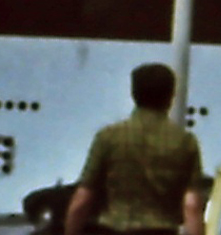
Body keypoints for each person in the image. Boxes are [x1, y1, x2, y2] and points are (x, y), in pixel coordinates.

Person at [66, 63, 204, 235]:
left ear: (133, 94)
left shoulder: (108, 137)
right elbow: (191, 205)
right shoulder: (185, 142)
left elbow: (82, 200)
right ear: (171, 95)